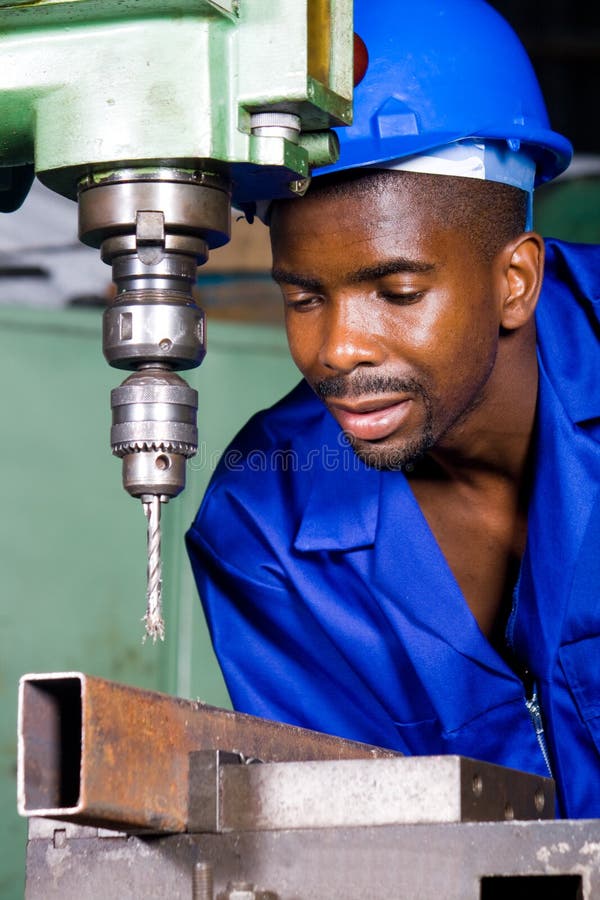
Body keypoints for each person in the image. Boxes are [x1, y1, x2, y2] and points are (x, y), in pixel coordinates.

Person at [186, 0, 600, 819]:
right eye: (305, 296)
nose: (338, 349)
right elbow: (361, 850)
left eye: (397, 291)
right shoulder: (263, 528)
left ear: (514, 279)